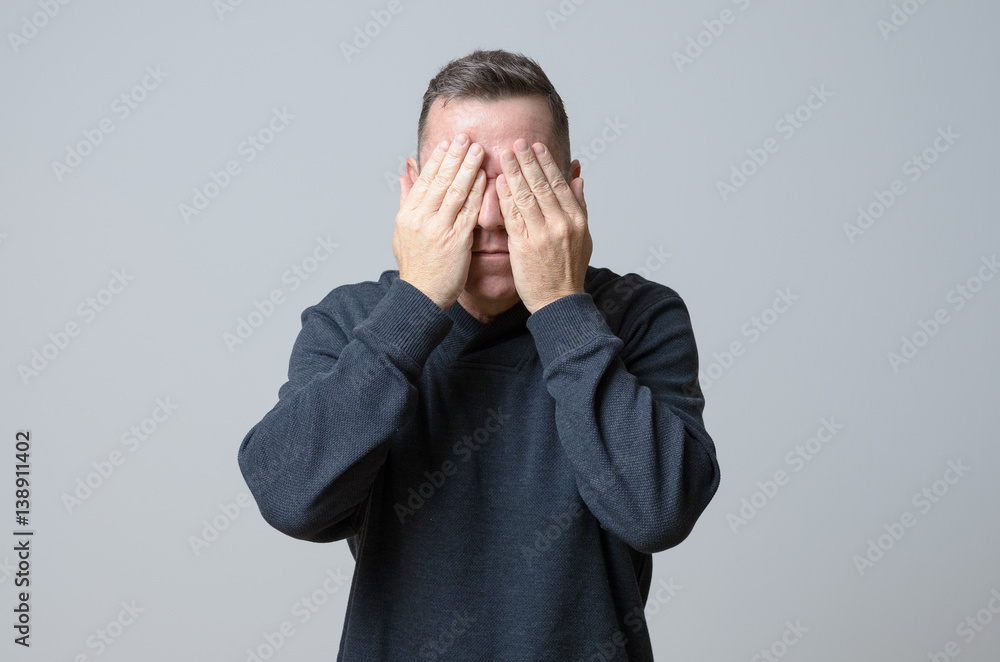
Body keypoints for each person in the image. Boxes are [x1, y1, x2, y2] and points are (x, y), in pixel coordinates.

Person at [237, 48, 720, 661]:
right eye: (462, 180)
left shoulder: (639, 316)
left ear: (571, 191)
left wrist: (561, 306)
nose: (490, 216)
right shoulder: (355, 322)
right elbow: (289, 499)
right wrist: (415, 305)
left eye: (521, 180)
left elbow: (656, 513)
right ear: (414, 190)